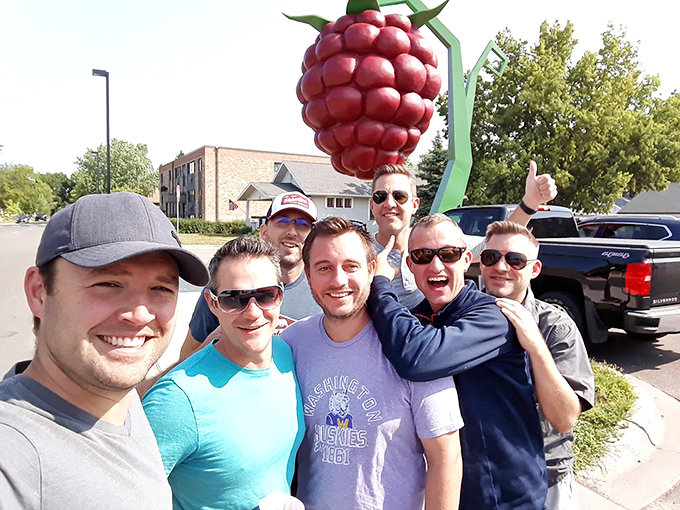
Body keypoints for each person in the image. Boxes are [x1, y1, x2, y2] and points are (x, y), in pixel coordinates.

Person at [0, 192, 210, 510]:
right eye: (108, 284)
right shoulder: (14, 460)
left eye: (161, 289)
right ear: (39, 292)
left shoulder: (117, 397)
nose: (140, 315)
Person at [280, 217, 464, 510]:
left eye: (350, 266)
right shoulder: (291, 343)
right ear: (308, 275)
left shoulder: (412, 348)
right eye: (324, 268)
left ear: (371, 271)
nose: (338, 280)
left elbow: (446, 456)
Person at [368, 214, 547, 510]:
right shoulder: (414, 318)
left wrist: (381, 287)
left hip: (506, 496)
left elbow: (419, 357)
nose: (436, 265)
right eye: (423, 256)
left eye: (448, 254)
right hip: (449, 494)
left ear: (466, 259)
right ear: (410, 266)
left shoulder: (493, 315)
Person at [142, 235, 305, 510]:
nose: (253, 312)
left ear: (281, 295)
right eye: (234, 299)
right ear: (212, 303)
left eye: (266, 295)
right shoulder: (177, 400)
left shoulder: (286, 355)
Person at [481, 220, 595, 510]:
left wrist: (535, 346)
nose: (501, 267)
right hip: (480, 480)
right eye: (491, 257)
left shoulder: (555, 328)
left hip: (545, 479)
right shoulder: (463, 320)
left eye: (515, 260)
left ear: (534, 269)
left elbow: (565, 418)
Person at [369, 161, 557, 308]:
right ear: (372, 205)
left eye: (399, 196)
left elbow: (498, 242)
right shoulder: (359, 252)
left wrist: (530, 202)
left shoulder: (437, 243)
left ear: (415, 204)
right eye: (380, 197)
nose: (390, 203)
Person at [178, 191, 321, 360]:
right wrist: (214, 344)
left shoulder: (323, 290)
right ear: (264, 231)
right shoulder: (226, 289)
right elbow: (186, 360)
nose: (292, 231)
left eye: (303, 224)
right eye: (282, 222)